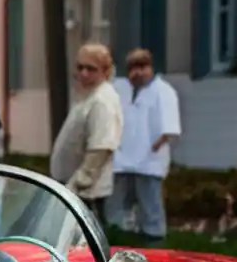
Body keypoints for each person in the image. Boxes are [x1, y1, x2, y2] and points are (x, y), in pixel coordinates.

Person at [109, 48, 182, 245]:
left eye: (142, 67)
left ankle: (155, 249)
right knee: (116, 209)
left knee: (151, 210)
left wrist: (153, 148)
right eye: (133, 68)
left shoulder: (164, 92)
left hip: (149, 163)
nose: (138, 72)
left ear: (151, 67)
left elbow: (169, 129)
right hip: (122, 162)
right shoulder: (120, 89)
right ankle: (119, 245)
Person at [51, 43, 123, 226]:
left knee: (84, 251)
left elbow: (100, 149)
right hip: (74, 193)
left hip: (85, 196)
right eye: (80, 67)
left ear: (105, 71)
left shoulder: (102, 101)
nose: (83, 73)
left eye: (91, 69)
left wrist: (75, 187)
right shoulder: (88, 96)